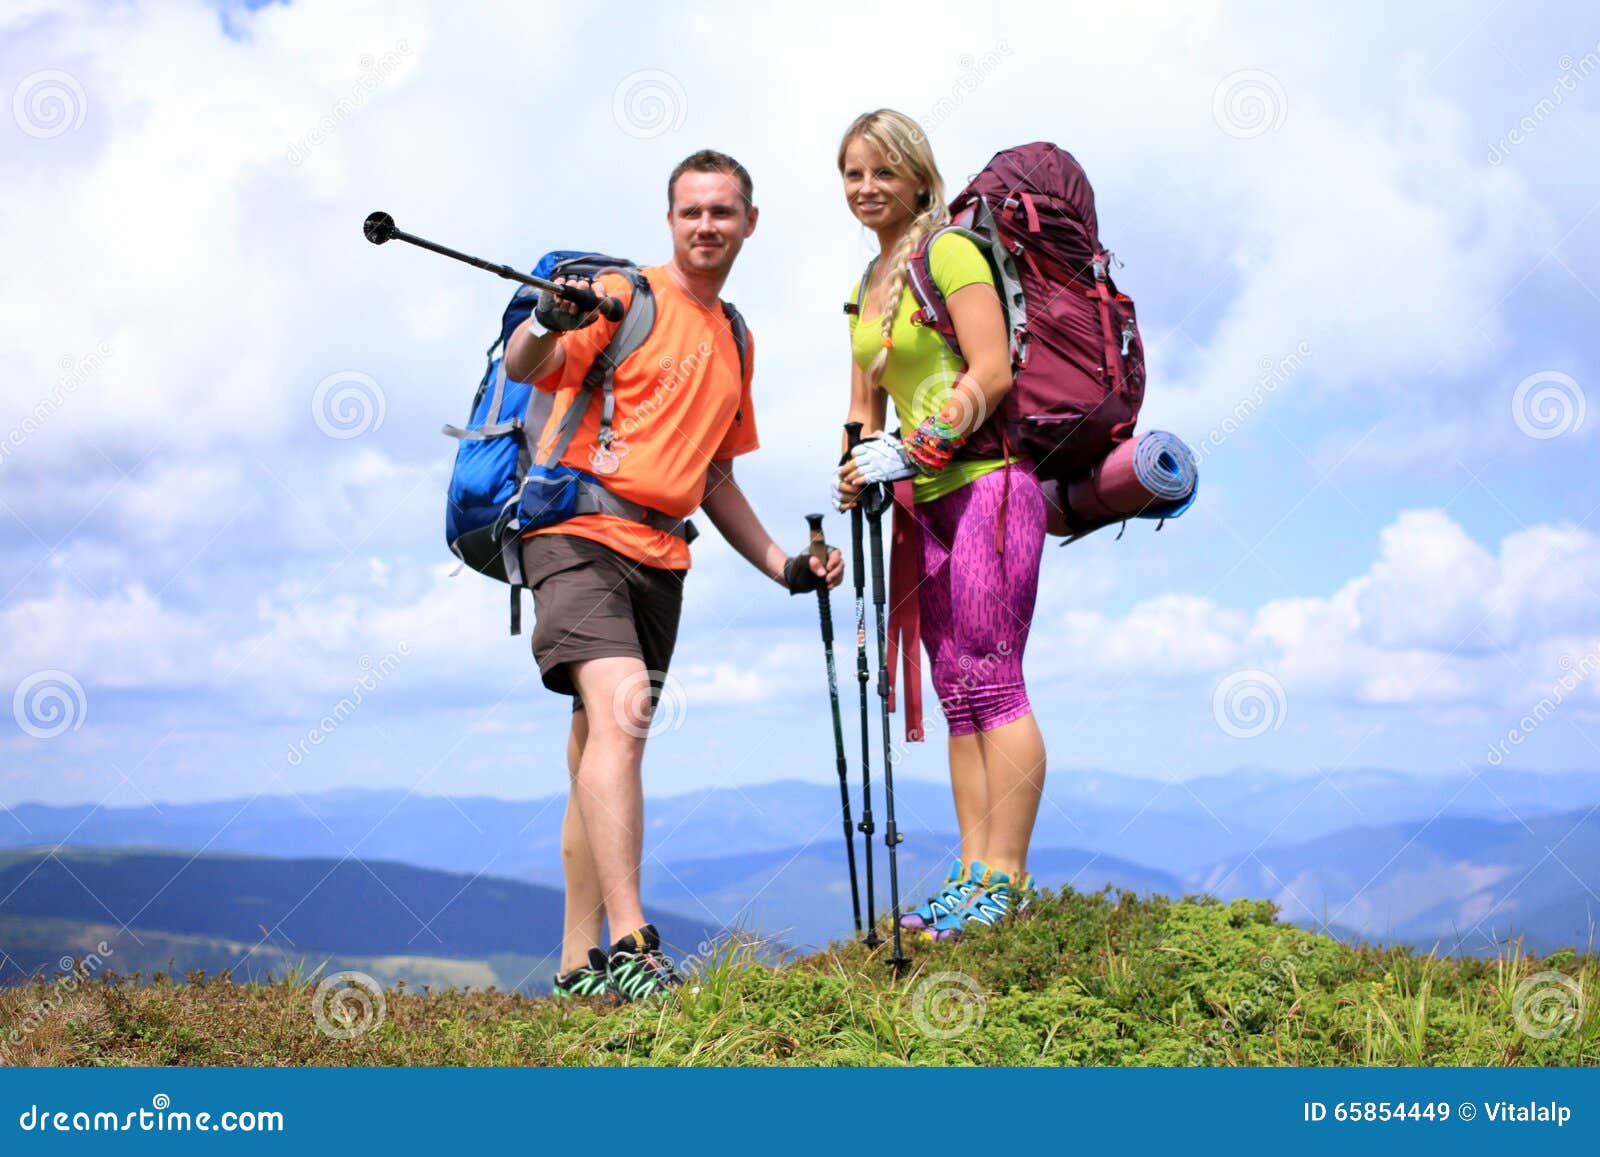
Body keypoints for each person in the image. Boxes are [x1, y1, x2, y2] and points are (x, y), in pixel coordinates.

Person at [503, 149, 843, 1000]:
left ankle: (578, 965)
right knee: (623, 712)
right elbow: (525, 366)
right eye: (691, 211)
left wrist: (783, 568)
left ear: (749, 224)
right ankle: (633, 944)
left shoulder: (734, 336)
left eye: (722, 212)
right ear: (669, 219)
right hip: (576, 530)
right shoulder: (620, 296)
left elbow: (715, 472)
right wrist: (547, 319)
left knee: (600, 743)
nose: (706, 225)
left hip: (663, 556)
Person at [832, 110, 1046, 942]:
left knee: (995, 677)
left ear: (919, 176)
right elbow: (861, 405)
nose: (866, 188)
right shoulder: (868, 284)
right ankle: (970, 875)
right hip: (923, 502)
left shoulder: (949, 252)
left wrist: (933, 433)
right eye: (852, 173)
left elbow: (992, 367)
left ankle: (1008, 878)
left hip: (991, 484)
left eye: (882, 172)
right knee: (959, 689)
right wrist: (854, 466)